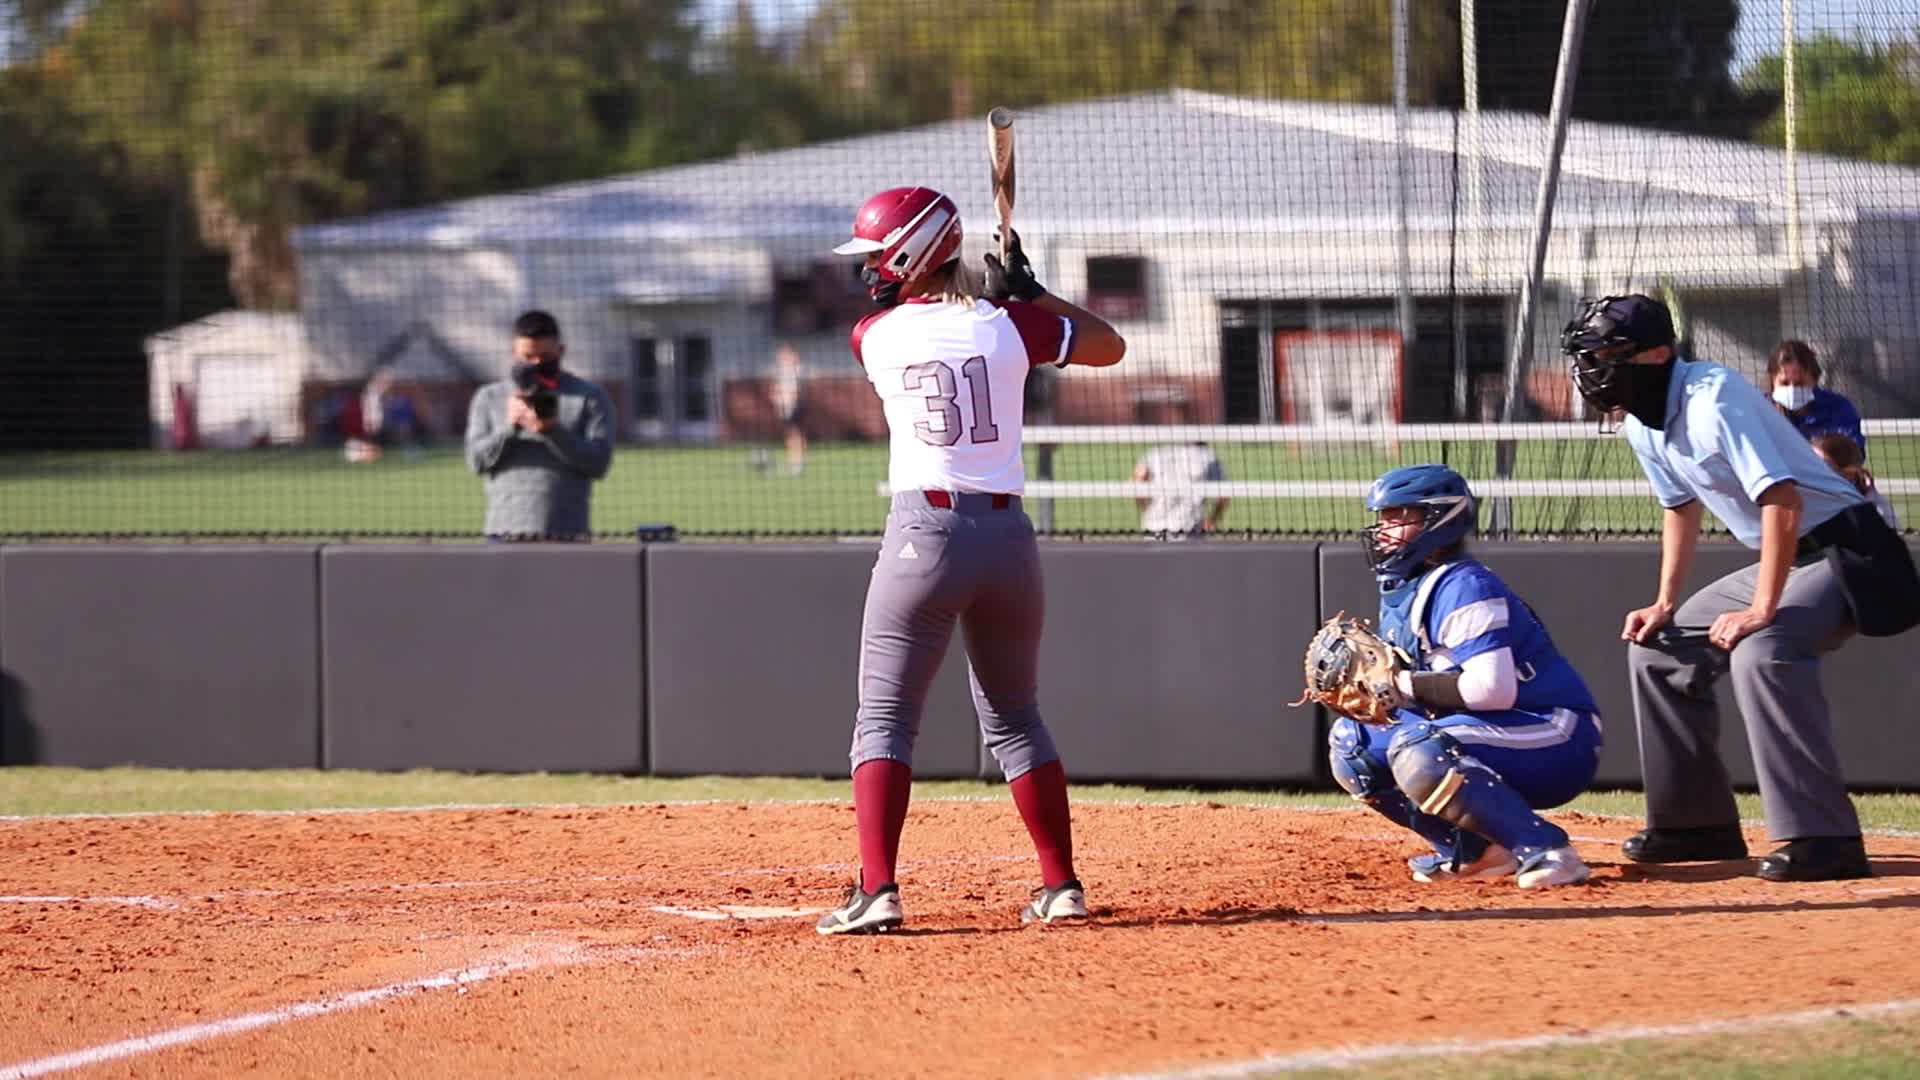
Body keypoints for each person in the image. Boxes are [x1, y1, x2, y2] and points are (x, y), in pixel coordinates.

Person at [814, 185, 1126, 935]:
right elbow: (1110, 346)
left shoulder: (874, 334)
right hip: (1008, 539)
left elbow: (932, 323)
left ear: (912, 253)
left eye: (877, 256)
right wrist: (1033, 294)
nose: (869, 271)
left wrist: (1004, 302)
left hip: (924, 534)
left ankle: (878, 890)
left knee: (885, 717)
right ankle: (1061, 887)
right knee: (1017, 718)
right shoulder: (1013, 323)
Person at [1562, 294, 1885, 881]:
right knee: (1658, 649)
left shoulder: (1715, 398)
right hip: (1793, 556)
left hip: (1853, 548)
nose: (1593, 366)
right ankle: (1695, 825)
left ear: (1658, 355)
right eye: (1590, 354)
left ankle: (1826, 838)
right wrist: (1665, 602)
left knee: (1765, 647)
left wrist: (1762, 608)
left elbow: (1783, 500)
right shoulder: (1642, 421)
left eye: (1608, 352)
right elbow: (1679, 507)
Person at [1326, 464, 1601, 888]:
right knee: (1353, 745)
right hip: (1489, 729)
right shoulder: (1406, 588)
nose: (1384, 530)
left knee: (1421, 748)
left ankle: (1548, 851)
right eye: (1383, 518)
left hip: (1554, 732)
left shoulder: (1465, 585)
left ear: (1438, 520)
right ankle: (1476, 851)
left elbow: (1492, 689)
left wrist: (1401, 686)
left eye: (1399, 517)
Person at [463, 310, 615, 541]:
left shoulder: (589, 396)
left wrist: (552, 431)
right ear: (513, 353)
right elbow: (476, 462)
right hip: (503, 534)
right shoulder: (489, 397)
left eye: (545, 357)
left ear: (560, 351)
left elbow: (599, 464)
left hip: (567, 535)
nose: (536, 364)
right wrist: (510, 427)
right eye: (528, 357)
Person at [1133, 401, 1229, 537]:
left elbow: (1137, 485)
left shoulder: (1154, 454)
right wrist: (1212, 520)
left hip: (1154, 527)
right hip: (1190, 530)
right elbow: (1224, 496)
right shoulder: (1209, 457)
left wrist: (1147, 510)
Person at [1768, 340, 1865, 454]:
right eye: (1784, 383)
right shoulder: (1759, 409)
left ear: (1815, 380)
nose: (1792, 388)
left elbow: (1854, 454)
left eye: (1800, 383)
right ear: (1772, 380)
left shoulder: (1838, 407)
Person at [1811, 433, 1898, 530]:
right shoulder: (1809, 500)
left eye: (1820, 465)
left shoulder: (1874, 510)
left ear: (1849, 473)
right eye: (1809, 461)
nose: (1810, 469)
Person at [769, 343, 809, 475]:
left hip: (792, 406)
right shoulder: (783, 370)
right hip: (784, 406)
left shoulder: (796, 370)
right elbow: (776, 387)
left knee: (796, 433)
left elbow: (796, 390)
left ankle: (799, 462)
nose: (781, 357)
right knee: (790, 434)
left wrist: (790, 403)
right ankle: (794, 460)